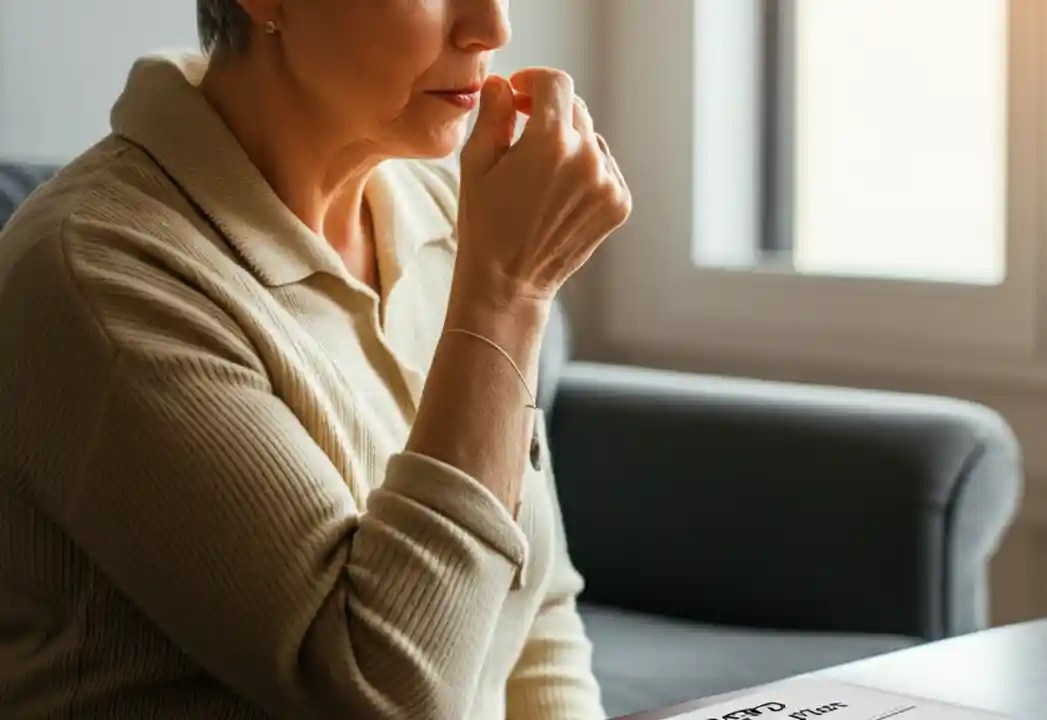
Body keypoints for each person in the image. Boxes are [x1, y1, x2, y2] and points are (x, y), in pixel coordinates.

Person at [0, 0, 630, 717]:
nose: (492, 27)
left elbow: (535, 614)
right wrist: (506, 296)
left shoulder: (453, 211)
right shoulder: (95, 270)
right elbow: (385, 695)